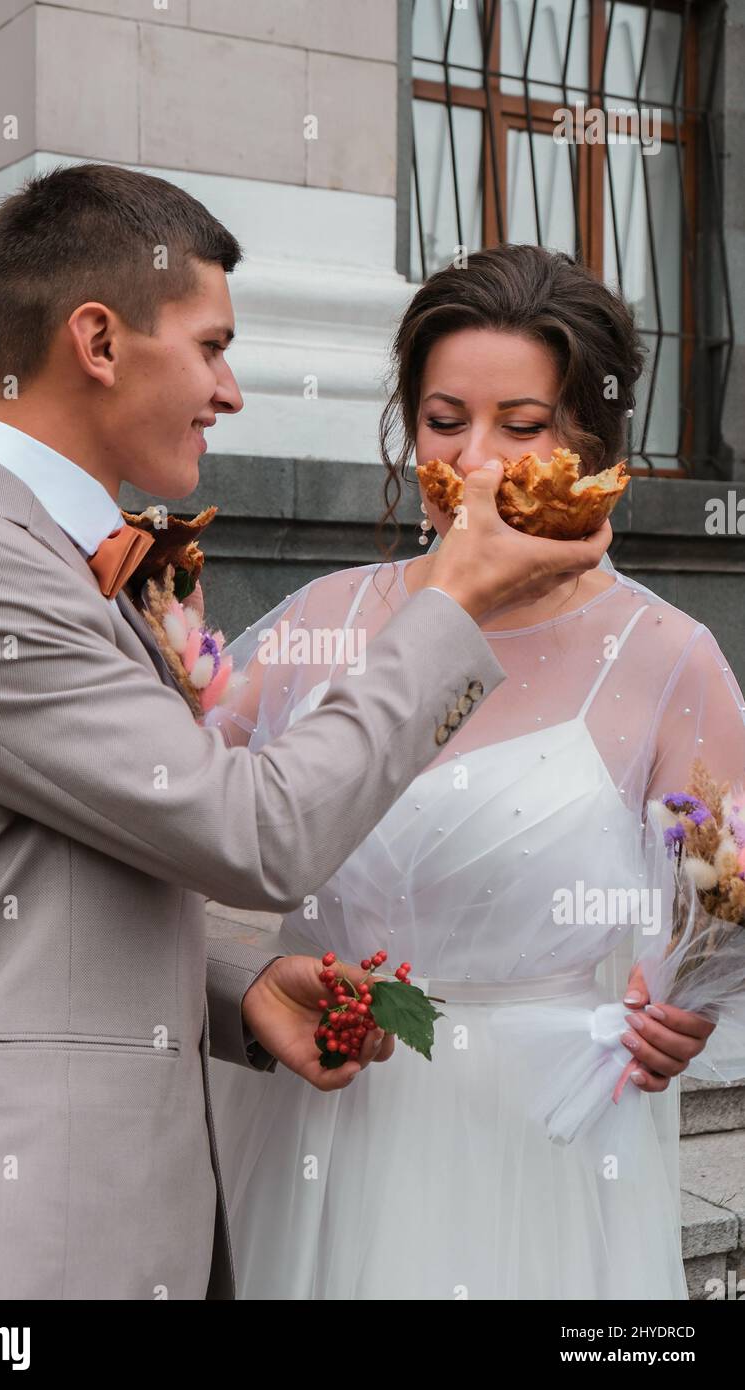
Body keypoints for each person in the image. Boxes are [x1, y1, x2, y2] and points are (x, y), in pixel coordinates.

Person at [0, 167, 611, 1301]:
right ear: (98, 341)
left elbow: (57, 879)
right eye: (212, 346)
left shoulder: (44, 556)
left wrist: (239, 985)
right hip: (23, 1243)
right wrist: (450, 604)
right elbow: (253, 832)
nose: (229, 391)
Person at [204, 244, 744, 1299]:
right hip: (326, 1103)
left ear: (587, 440)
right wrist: (243, 975)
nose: (477, 462)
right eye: (444, 420)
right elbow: (178, 831)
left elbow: (723, 883)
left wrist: (690, 996)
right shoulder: (323, 621)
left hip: (537, 1140)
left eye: (522, 424)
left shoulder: (664, 653)